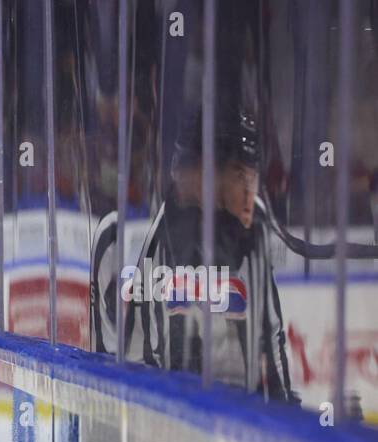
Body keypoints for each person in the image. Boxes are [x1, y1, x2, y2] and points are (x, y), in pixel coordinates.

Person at [90, 108, 295, 400]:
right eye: (239, 176)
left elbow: (272, 340)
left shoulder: (252, 232)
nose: (251, 194)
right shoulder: (148, 238)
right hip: (168, 419)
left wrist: (286, 417)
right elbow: (135, 358)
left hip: (236, 423)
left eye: (253, 178)